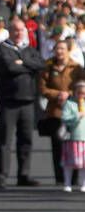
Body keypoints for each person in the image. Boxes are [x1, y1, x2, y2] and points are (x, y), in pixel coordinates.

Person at [0, 16, 44, 188]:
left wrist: (23, 62)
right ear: (10, 31)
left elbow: (39, 64)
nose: (18, 33)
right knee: (5, 140)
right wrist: (26, 66)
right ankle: (1, 176)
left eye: (21, 30)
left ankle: (24, 174)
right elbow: (10, 67)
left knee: (26, 139)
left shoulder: (28, 49)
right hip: (8, 101)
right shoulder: (2, 49)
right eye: (15, 30)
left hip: (28, 100)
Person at [38, 38, 85, 186]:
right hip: (55, 110)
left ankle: (75, 178)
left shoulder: (76, 67)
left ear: (68, 51)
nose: (59, 52)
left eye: (62, 49)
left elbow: (82, 87)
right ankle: (60, 178)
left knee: (76, 144)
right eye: (57, 49)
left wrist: (69, 94)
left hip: (74, 111)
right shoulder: (49, 67)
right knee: (57, 144)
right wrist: (58, 95)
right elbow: (42, 88)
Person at [59, 82, 85, 192]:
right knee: (69, 163)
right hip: (72, 138)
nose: (81, 95)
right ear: (74, 92)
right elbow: (64, 118)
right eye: (79, 93)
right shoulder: (69, 103)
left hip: (84, 138)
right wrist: (77, 116)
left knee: (84, 164)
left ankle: (83, 184)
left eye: (84, 93)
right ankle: (67, 183)